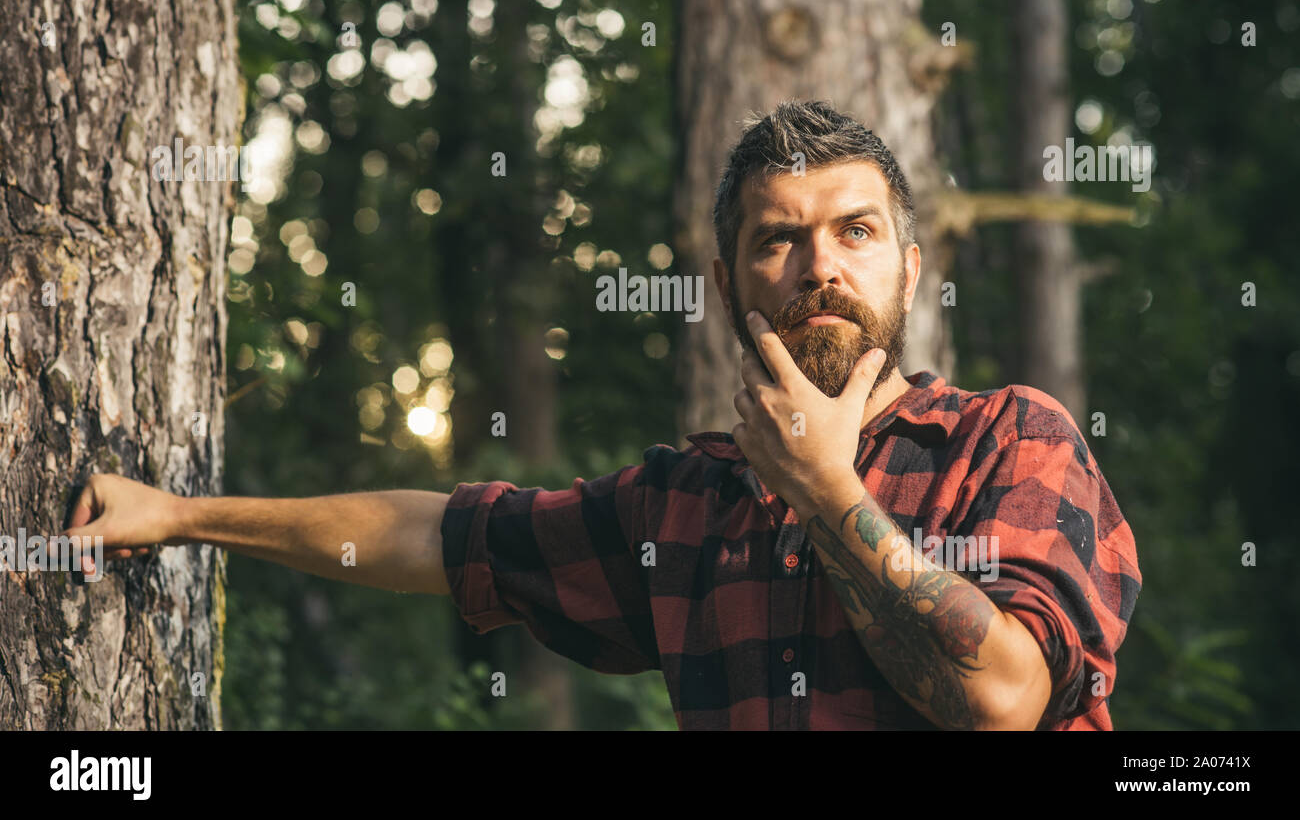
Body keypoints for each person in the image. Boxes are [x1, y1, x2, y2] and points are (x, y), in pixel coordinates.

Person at [63, 100, 1141, 730]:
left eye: (854, 232)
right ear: (726, 285)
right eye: (779, 239)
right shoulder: (690, 505)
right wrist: (179, 517)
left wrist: (823, 488)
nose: (819, 266)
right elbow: (437, 536)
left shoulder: (1010, 438)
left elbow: (1000, 695)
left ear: (908, 272)